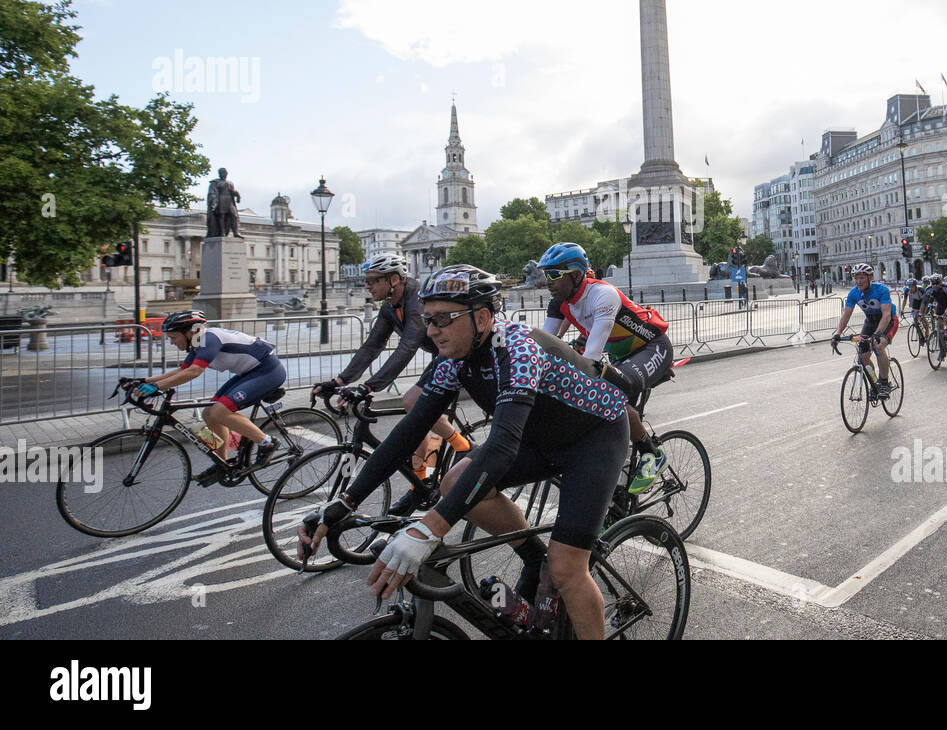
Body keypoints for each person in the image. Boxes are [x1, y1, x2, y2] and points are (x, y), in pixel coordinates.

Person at [300, 265, 635, 640]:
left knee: (567, 569)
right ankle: (531, 556)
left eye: (442, 319)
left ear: (482, 317)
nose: (431, 331)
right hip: (542, 438)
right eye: (428, 320)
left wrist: (430, 528)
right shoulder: (453, 359)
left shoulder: (518, 349)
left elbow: (503, 447)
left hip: (593, 439)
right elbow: (405, 435)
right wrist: (342, 504)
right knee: (455, 479)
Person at [312, 254, 463, 491]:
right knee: (416, 416)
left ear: (393, 279)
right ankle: (421, 481)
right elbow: (373, 345)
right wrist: (339, 380)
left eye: (373, 280)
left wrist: (369, 386)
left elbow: (408, 346)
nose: (367, 285)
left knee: (412, 401)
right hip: (440, 355)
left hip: (457, 355)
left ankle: (462, 446)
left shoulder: (417, 299)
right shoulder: (390, 307)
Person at [536, 242, 673, 494]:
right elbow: (542, 345)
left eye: (554, 274)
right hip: (622, 356)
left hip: (652, 348)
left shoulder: (602, 294)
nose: (548, 281)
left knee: (612, 397)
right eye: (546, 274)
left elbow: (590, 358)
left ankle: (651, 453)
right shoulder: (559, 302)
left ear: (575, 275)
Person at [135, 310, 286, 484]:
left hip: (268, 371)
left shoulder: (209, 338)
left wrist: (155, 387)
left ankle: (267, 442)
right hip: (250, 372)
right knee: (209, 413)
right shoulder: (198, 341)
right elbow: (183, 370)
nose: (171, 342)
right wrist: (143, 381)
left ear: (189, 331)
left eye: (174, 337)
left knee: (219, 412)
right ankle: (221, 463)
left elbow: (194, 371)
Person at [829, 264, 898, 395]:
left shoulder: (881, 290)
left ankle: (884, 383)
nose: (859, 281)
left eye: (862, 277)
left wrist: (878, 334)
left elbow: (886, 315)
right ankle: (874, 382)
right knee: (863, 356)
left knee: (878, 346)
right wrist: (837, 333)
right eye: (856, 278)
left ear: (870, 277)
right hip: (870, 322)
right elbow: (846, 315)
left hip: (888, 321)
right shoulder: (854, 293)